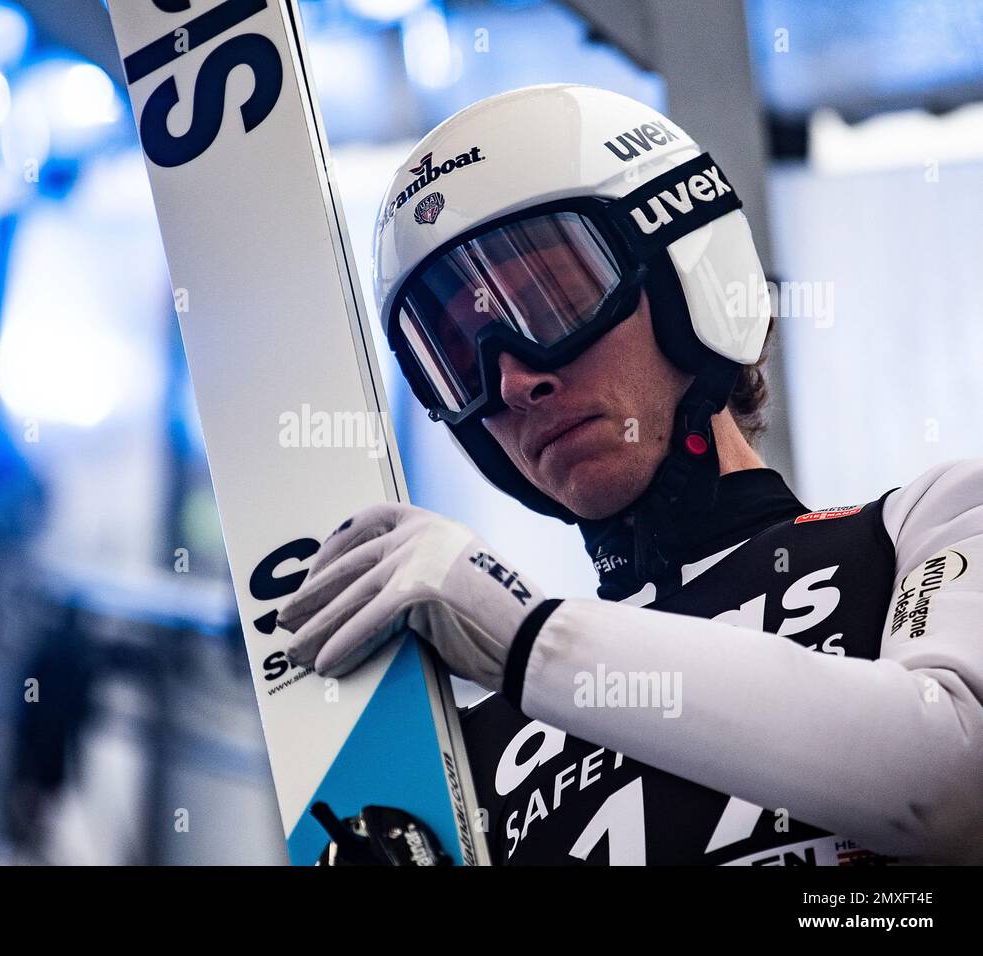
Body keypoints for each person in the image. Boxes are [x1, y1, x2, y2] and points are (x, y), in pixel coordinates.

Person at [276, 85, 983, 865]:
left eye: (548, 301)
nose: (512, 380)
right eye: (458, 355)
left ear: (689, 275)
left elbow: (952, 781)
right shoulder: (466, 757)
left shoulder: (928, 524)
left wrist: (525, 635)